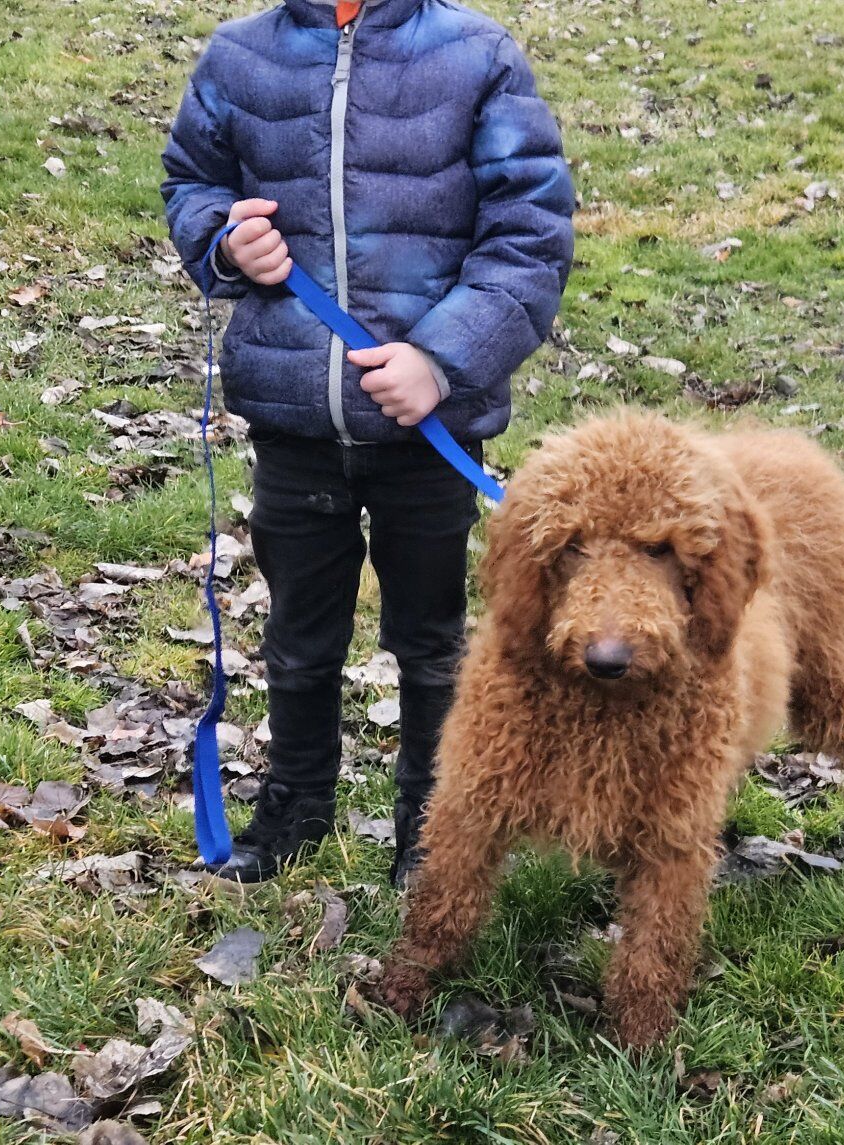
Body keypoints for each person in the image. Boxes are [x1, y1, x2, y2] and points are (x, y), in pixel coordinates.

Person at [161, 0, 573, 886]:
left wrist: (441, 357)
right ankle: (296, 804)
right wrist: (225, 243)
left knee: (429, 639)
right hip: (294, 422)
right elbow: (190, 183)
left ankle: (431, 824)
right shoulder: (239, 57)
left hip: (424, 436)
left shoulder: (478, 56)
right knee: (300, 635)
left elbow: (529, 236)